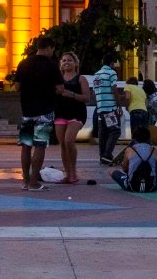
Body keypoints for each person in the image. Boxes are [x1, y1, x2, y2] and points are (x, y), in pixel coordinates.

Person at [13, 36, 66, 191]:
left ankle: (25, 181)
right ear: (49, 48)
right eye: (52, 49)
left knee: (26, 146)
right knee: (40, 146)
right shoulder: (52, 65)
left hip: (27, 111)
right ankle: (34, 182)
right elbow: (60, 89)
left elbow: (17, 86)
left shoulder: (23, 63)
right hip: (45, 111)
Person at [52, 52, 92, 185]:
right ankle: (68, 174)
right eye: (64, 60)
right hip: (60, 113)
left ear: (75, 63)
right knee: (63, 144)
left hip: (77, 113)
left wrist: (72, 95)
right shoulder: (58, 79)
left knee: (69, 140)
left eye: (69, 60)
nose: (66, 62)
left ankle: (73, 172)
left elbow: (87, 98)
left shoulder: (81, 79)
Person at [110, 122, 157, 192]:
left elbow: (125, 169)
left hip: (132, 186)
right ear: (148, 138)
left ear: (134, 138)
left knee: (111, 170)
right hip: (150, 186)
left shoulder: (129, 150)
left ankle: (128, 181)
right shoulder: (155, 151)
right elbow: (156, 170)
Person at [90, 52, 122, 166]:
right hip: (110, 109)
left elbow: (94, 93)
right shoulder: (111, 73)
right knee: (115, 131)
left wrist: (99, 104)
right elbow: (114, 89)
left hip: (100, 109)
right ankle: (107, 155)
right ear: (112, 63)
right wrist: (119, 105)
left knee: (103, 133)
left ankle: (102, 157)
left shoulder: (96, 75)